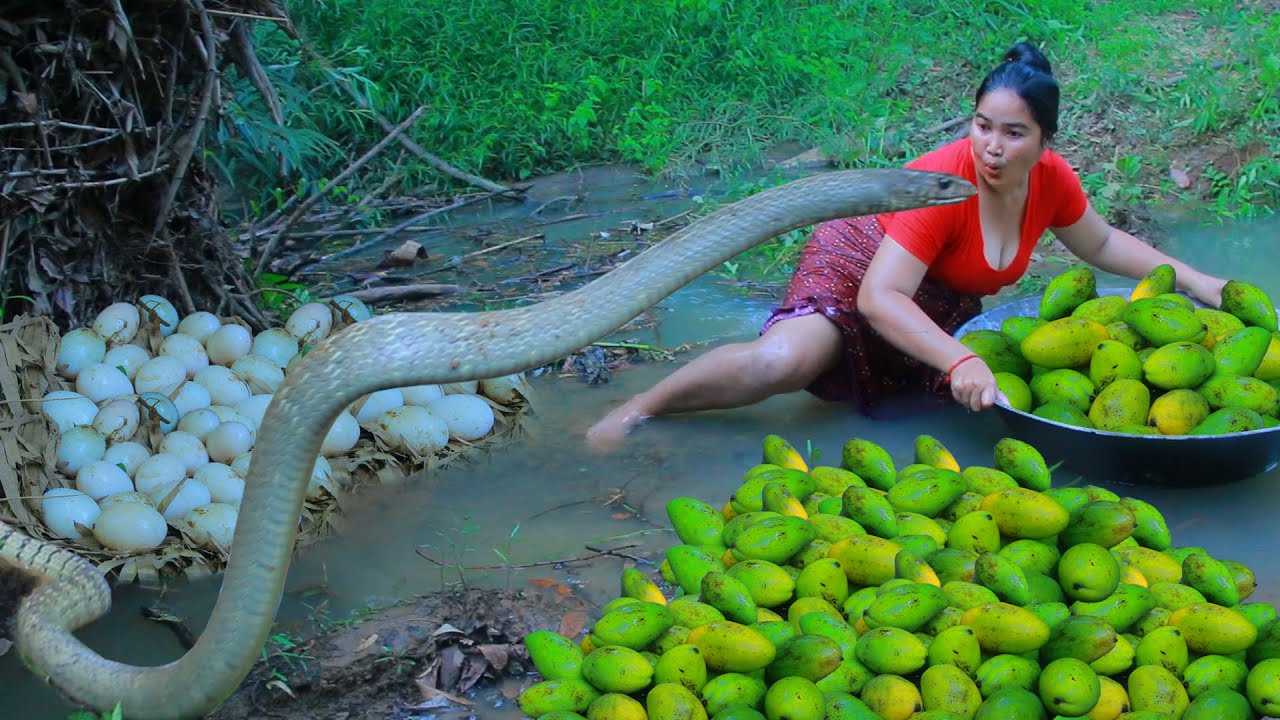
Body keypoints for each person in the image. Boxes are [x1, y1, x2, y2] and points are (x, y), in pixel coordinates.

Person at [586, 41, 1227, 451]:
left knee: (944, 409)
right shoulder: (941, 185)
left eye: (1013, 133)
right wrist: (960, 360)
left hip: (933, 287)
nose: (992, 148)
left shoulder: (1053, 183)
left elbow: (1104, 242)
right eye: (982, 126)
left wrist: (1198, 282)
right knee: (784, 363)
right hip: (867, 257)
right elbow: (879, 294)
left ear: (1046, 141)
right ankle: (639, 407)